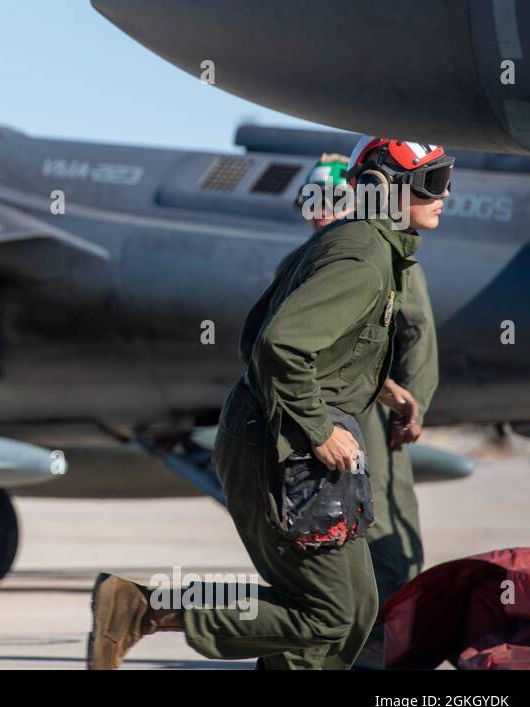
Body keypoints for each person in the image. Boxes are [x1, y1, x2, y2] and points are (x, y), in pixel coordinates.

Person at [87, 137, 454, 669]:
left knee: (355, 609)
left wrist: (379, 387)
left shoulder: (366, 248)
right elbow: (277, 344)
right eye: (432, 183)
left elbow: (268, 334)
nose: (445, 195)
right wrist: (320, 428)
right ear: (384, 189)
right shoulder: (361, 255)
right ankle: (145, 608)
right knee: (328, 613)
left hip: (292, 436)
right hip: (285, 445)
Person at [293, 152, 439, 669]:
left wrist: (411, 404)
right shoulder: (323, 255)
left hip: (374, 413)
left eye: (328, 201)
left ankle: (388, 644)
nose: (316, 214)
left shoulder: (376, 254)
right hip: (334, 412)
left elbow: (417, 329)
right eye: (308, 203)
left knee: (381, 524)